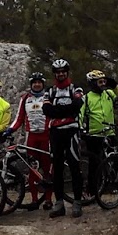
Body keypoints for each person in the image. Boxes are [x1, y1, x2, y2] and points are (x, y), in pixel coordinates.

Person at [42, 59, 85, 218]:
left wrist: (57, 110)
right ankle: (59, 203)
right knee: (57, 168)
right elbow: (46, 109)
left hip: (72, 132)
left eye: (63, 71)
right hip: (55, 133)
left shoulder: (76, 88)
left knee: (74, 166)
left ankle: (77, 202)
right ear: (55, 74)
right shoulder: (50, 91)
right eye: (57, 72)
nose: (60, 74)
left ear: (67, 72)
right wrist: (65, 112)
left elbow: (77, 105)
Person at [10, 70, 53, 210]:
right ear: (31, 84)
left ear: (43, 84)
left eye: (39, 82)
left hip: (46, 136)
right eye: (34, 82)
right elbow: (19, 118)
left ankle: (48, 200)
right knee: (32, 170)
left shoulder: (49, 97)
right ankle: (34, 200)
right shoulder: (25, 98)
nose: (37, 84)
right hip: (32, 137)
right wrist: (10, 130)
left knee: (47, 169)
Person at [81, 69, 118, 203]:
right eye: (100, 81)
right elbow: (80, 115)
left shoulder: (109, 93)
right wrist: (81, 129)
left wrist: (115, 88)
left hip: (110, 132)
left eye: (104, 81)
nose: (103, 83)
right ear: (93, 83)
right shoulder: (86, 98)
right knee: (95, 165)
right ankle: (92, 191)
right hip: (94, 135)